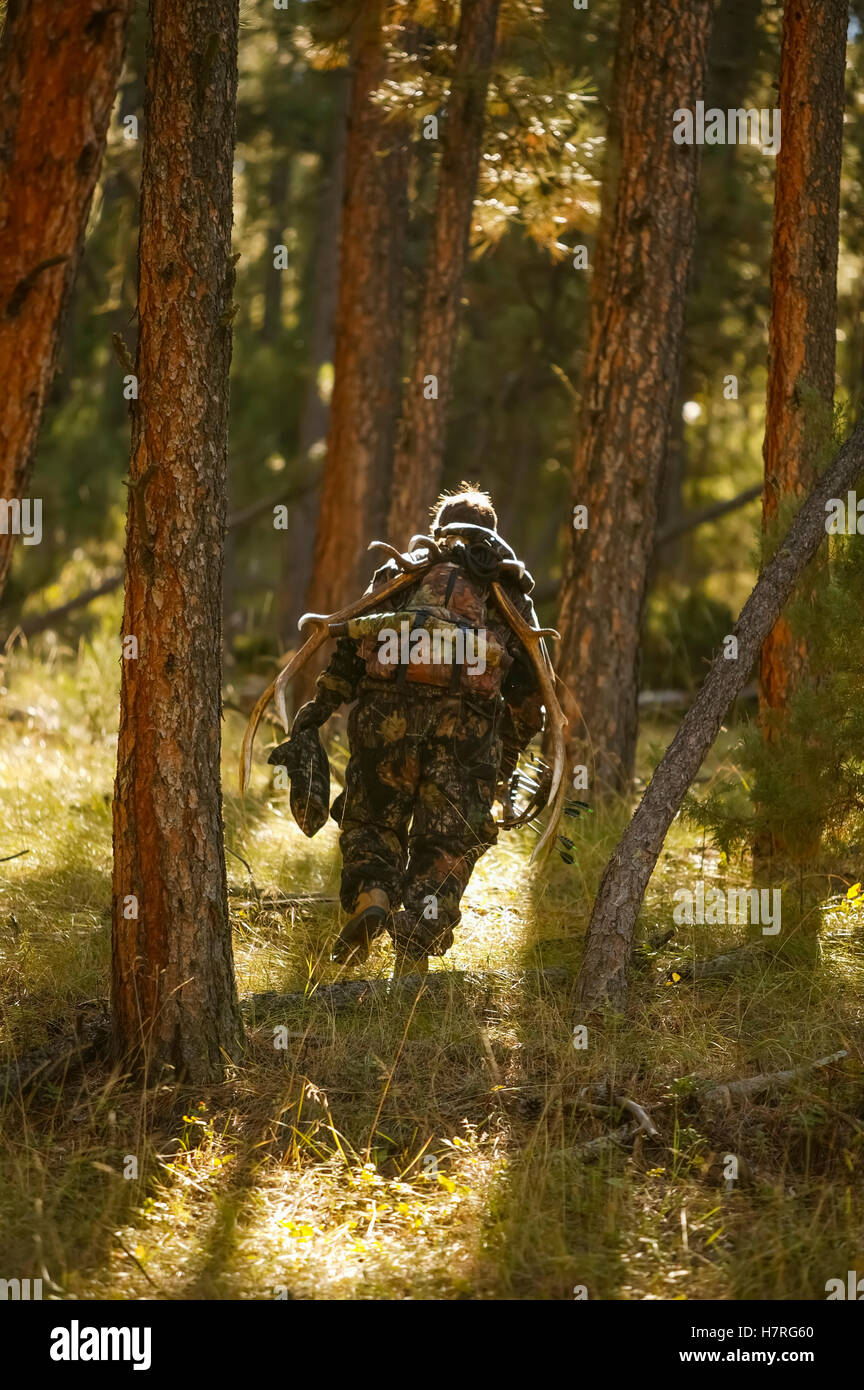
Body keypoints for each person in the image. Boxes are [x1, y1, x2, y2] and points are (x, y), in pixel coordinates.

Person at [271, 483, 545, 975]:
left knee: (374, 821)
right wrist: (505, 760)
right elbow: (530, 695)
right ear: (492, 533)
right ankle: (416, 945)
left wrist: (321, 706)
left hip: (383, 718)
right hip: (466, 731)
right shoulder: (506, 589)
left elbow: (355, 645)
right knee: (448, 840)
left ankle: (371, 896)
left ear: (442, 528)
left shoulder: (404, 571)